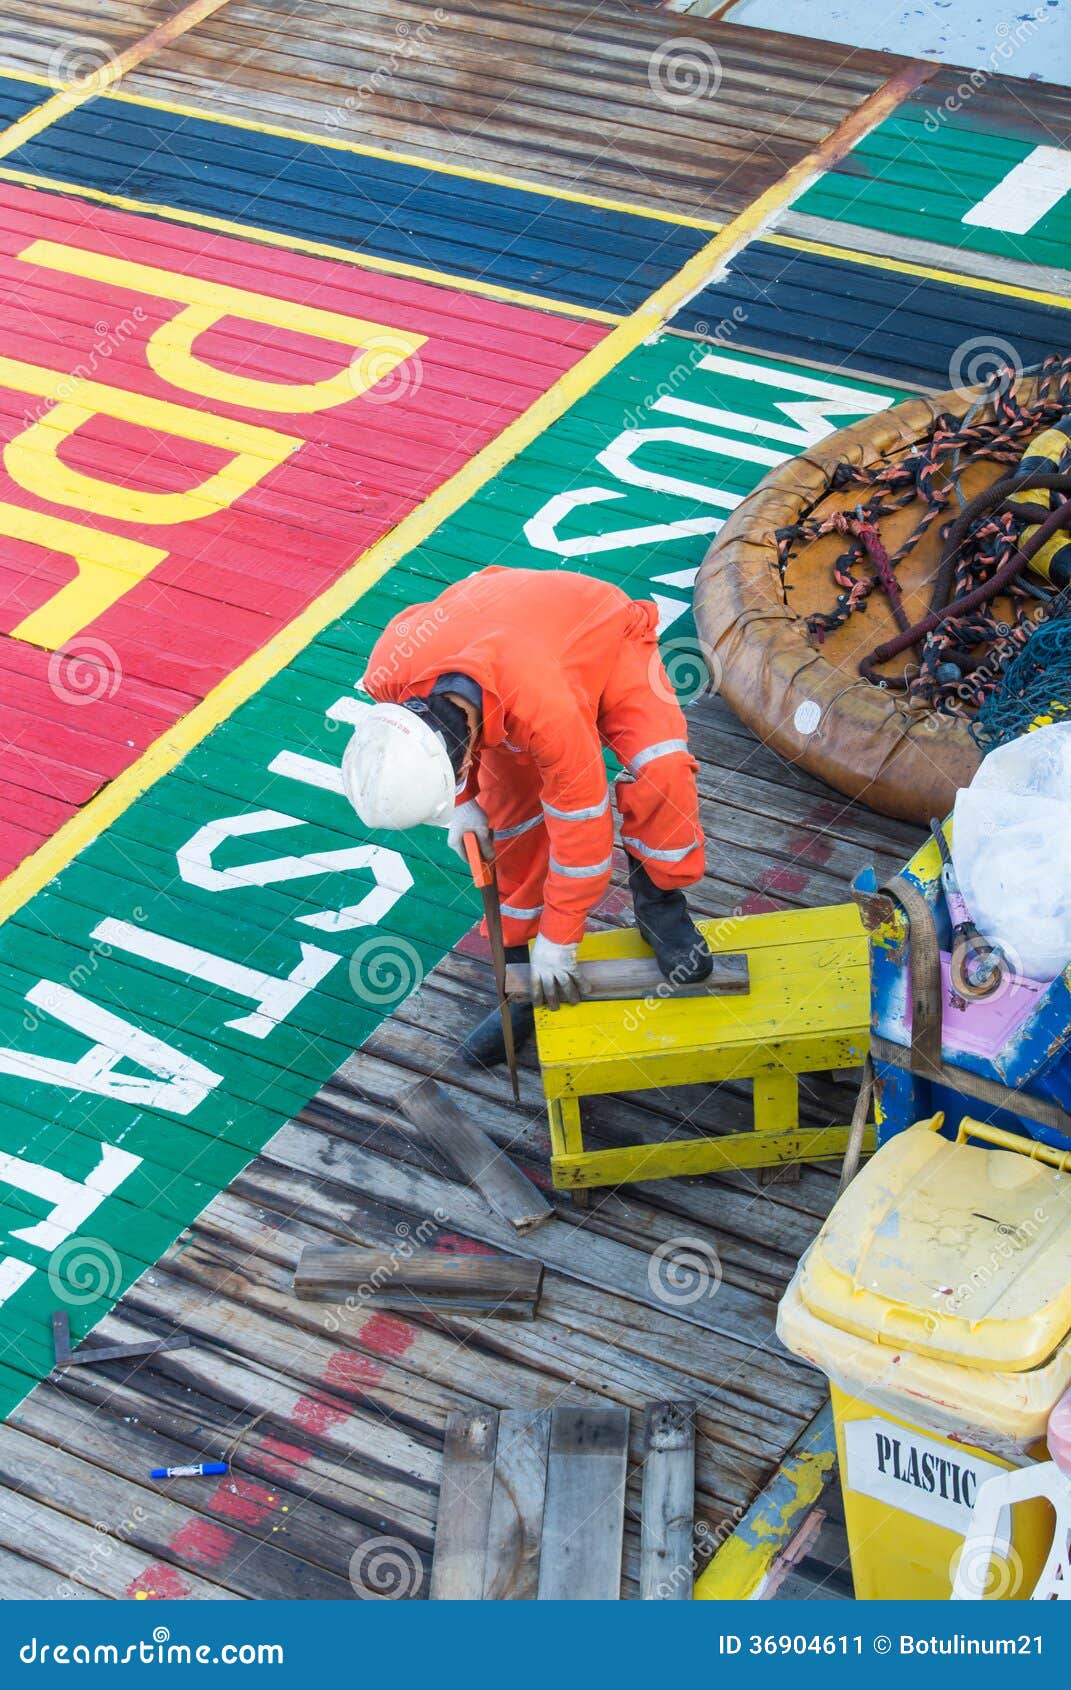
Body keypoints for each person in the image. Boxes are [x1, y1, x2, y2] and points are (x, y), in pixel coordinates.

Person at [342, 567, 711, 1068]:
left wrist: (561, 940)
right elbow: (417, 739)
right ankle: (519, 983)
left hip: (603, 632)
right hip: (511, 639)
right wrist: (464, 801)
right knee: (510, 824)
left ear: (463, 760)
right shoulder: (389, 671)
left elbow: (584, 836)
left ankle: (660, 908)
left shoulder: (545, 714)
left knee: (662, 770)